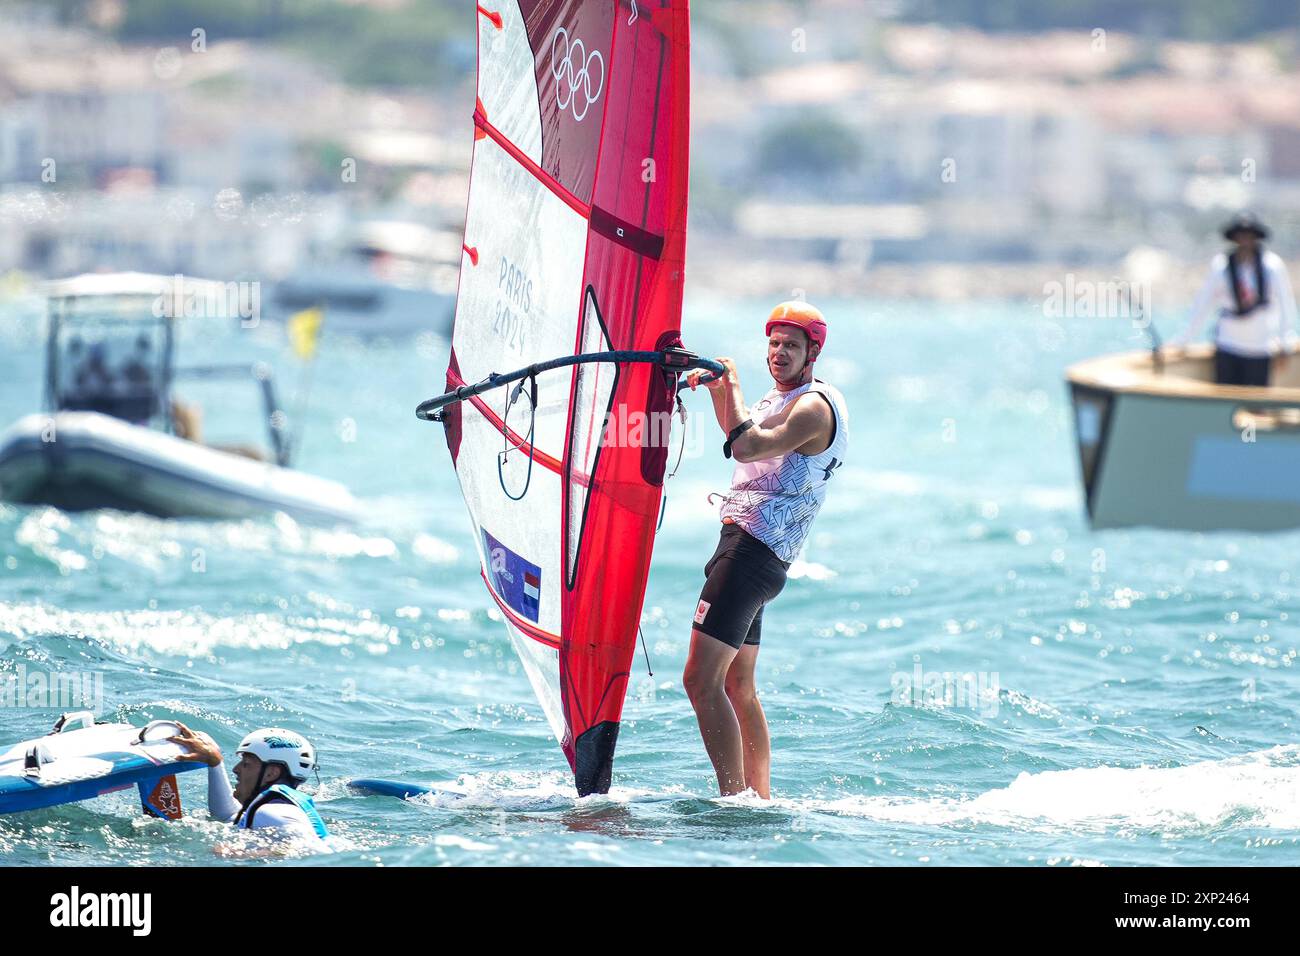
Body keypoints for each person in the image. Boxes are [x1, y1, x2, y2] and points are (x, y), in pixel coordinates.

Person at [682, 301, 849, 798]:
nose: (779, 353)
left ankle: (732, 800)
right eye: (774, 344)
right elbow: (742, 434)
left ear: (813, 353)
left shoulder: (814, 407)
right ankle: (759, 798)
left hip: (751, 556)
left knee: (699, 680)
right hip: (748, 550)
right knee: (737, 686)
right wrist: (718, 388)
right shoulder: (781, 398)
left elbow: (749, 447)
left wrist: (729, 385)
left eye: (791, 346)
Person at [1171, 212, 1297, 386]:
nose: (1245, 241)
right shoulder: (1221, 266)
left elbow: (1285, 305)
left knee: (1256, 405)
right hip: (1228, 346)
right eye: (1241, 236)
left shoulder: (1272, 266)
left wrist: (1284, 344)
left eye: (1249, 236)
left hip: (1260, 348)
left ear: (1255, 238)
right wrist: (1183, 340)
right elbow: (1202, 304)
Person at [171, 723, 329, 850]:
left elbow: (311, 849)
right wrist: (215, 764)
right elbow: (227, 815)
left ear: (271, 774)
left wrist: (236, 854)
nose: (236, 769)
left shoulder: (272, 811)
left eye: (246, 764)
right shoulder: (270, 809)